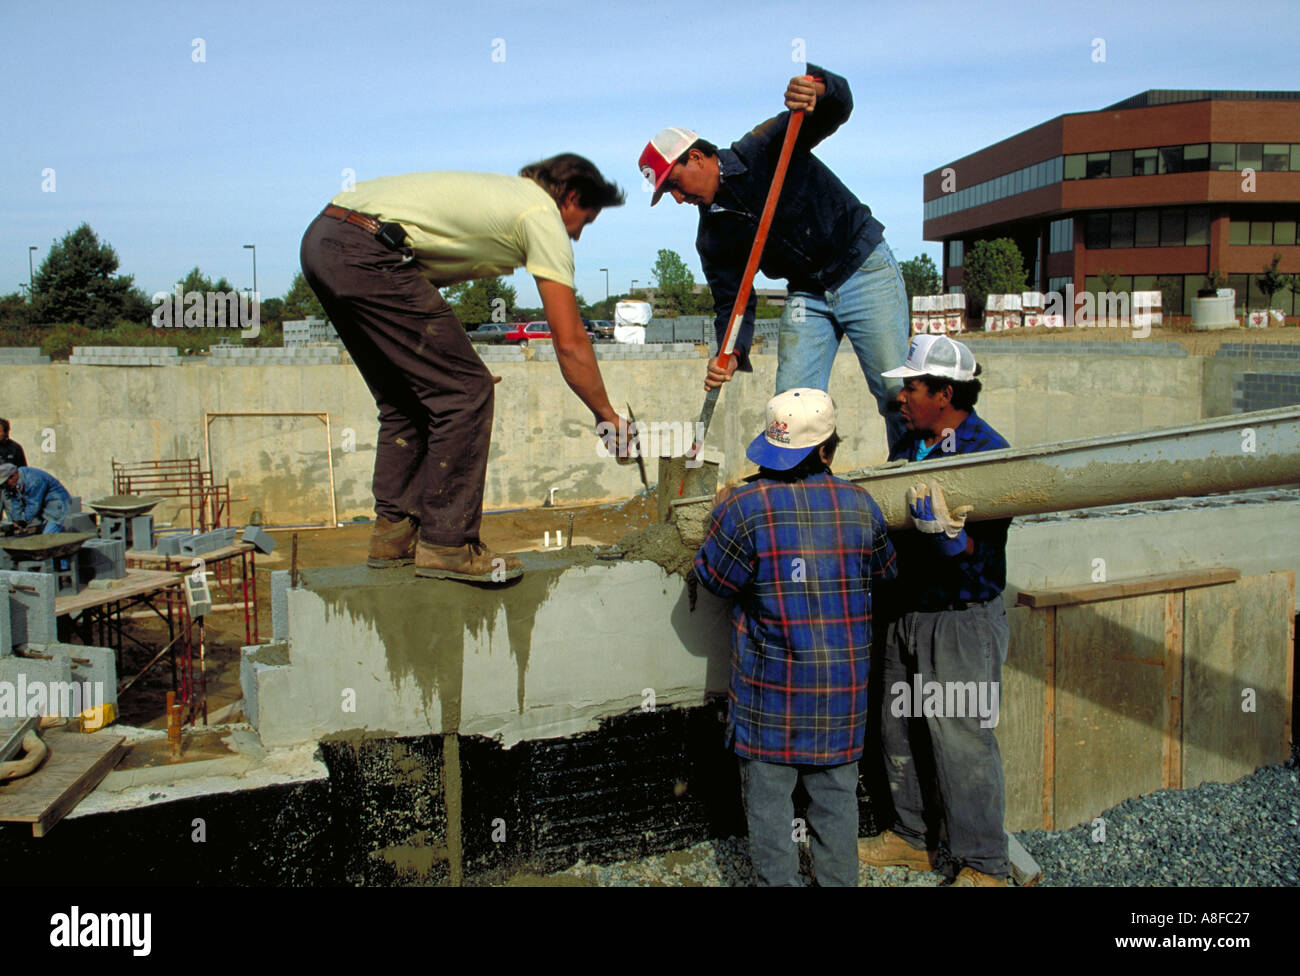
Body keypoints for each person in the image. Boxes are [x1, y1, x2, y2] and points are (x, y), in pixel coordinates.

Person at [300, 155, 634, 584]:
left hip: (325, 241)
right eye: (583, 221)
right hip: (366, 251)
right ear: (569, 197)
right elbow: (569, 342)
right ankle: (447, 544)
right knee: (466, 390)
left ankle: (393, 535)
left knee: (407, 399)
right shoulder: (541, 213)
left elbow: (418, 286)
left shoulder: (501, 204)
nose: (577, 235)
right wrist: (607, 418)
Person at [639, 65, 911, 451]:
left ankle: (914, 475)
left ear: (697, 157)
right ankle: (796, 493)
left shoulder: (763, 148)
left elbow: (836, 107)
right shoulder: (712, 236)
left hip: (860, 267)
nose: (678, 198)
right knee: (791, 409)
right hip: (807, 295)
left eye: (675, 185)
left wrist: (821, 90)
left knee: (896, 391)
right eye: (668, 193)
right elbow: (732, 302)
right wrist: (729, 354)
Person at [694, 389, 897, 886]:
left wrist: (717, 516)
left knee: (768, 815)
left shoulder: (743, 507)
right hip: (841, 700)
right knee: (835, 808)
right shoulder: (861, 505)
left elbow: (713, 580)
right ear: (828, 450)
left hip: (770, 704)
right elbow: (887, 574)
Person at [858, 335, 1013, 886]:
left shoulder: (989, 455)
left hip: (960, 619)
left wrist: (954, 541)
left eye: (912, 387)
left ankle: (986, 866)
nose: (900, 396)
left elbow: (985, 556)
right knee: (898, 729)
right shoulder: (914, 443)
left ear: (945, 393)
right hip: (909, 613)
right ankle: (912, 838)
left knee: (962, 741)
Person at [0, 462, 71, 534]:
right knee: (40, 534)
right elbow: (15, 502)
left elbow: (33, 505)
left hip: (57, 503)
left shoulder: (34, 480)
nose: (4, 486)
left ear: (14, 476)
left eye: (5, 482)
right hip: (43, 504)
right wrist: (17, 520)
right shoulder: (14, 483)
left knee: (48, 536)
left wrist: (24, 521)